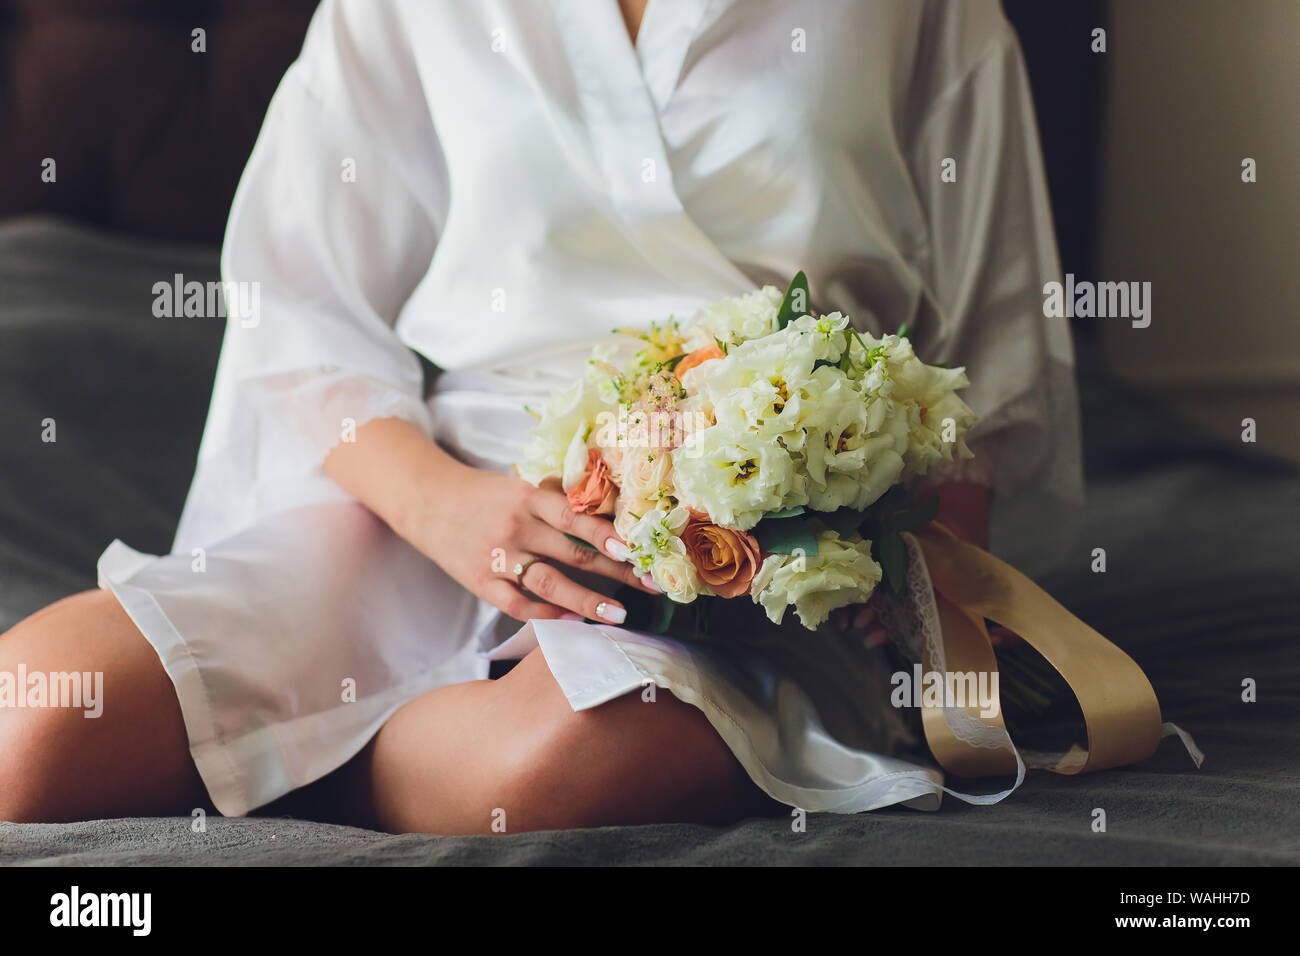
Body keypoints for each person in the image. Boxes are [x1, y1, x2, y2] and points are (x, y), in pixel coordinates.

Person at [0, 0, 1080, 833]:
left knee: (550, 770)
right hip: (445, 491)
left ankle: (302, 753)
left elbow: (986, 341)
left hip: (762, 557)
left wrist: (924, 607)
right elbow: (298, 299)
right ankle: (316, 731)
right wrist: (454, 512)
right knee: (38, 721)